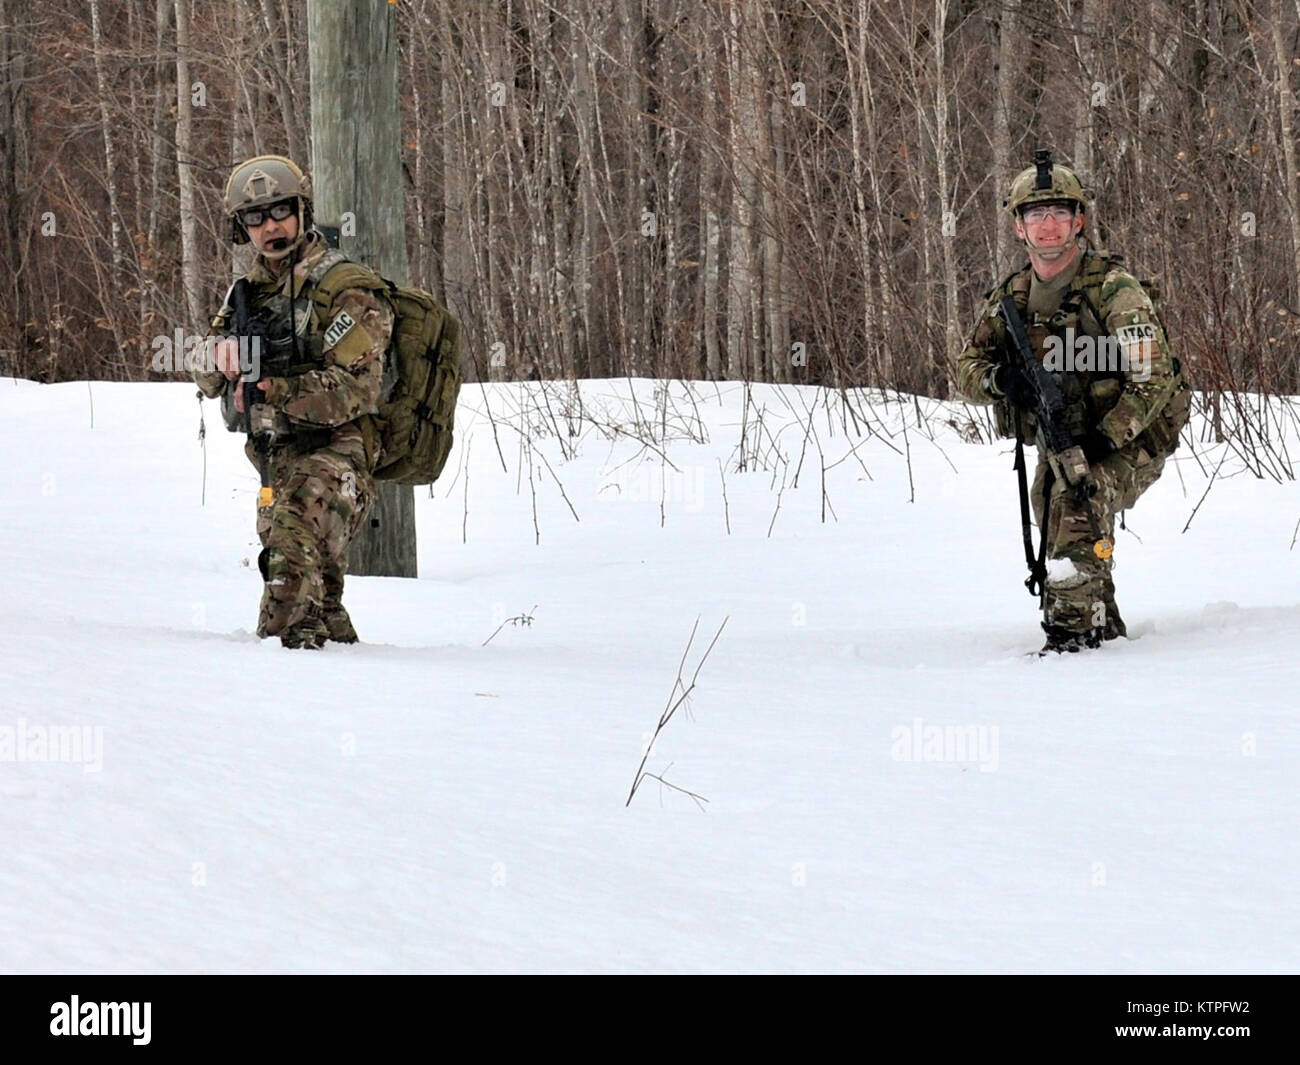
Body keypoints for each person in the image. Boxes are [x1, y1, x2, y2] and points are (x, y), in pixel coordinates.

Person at [956, 150, 1191, 653]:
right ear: (1018, 227)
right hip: (1062, 439)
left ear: (1078, 221)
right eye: (1035, 215)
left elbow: (1152, 377)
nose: (1047, 225)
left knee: (1073, 504)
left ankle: (1073, 640)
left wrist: (1103, 439)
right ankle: (1103, 625)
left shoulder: (1113, 289)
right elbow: (966, 370)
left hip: (1131, 437)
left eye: (1059, 213)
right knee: (1053, 502)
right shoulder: (1012, 298)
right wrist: (1002, 381)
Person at [193, 155, 394, 649]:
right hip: (275, 460)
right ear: (242, 228)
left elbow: (357, 389)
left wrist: (275, 390)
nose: (270, 226)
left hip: (342, 452)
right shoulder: (246, 294)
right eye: (255, 218)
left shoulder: (345, 287)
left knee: (289, 548)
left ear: (302, 210)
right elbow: (206, 369)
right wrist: (217, 359)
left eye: (280, 210)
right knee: (318, 599)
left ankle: (273, 670)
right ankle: (346, 683)